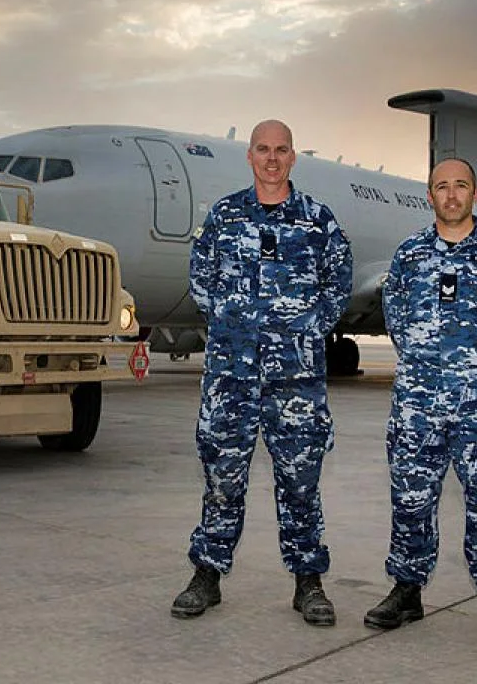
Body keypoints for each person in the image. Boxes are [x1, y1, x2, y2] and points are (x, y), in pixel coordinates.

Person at [171, 119, 353, 626]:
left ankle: (308, 582)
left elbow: (338, 285)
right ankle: (207, 574)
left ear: (293, 157)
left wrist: (303, 330)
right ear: (250, 157)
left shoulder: (318, 221)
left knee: (301, 482)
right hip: (232, 376)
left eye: (281, 150)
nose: (272, 158)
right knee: (222, 478)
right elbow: (202, 282)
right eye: (262, 149)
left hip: (296, 382)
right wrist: (238, 328)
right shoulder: (225, 217)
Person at [365, 157, 477, 651]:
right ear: (430, 196)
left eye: (460, 185)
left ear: (474, 194)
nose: (451, 194)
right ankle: (407, 589)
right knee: (411, 499)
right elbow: (397, 322)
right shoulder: (410, 256)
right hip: (419, 404)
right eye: (441, 186)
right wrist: (428, 373)